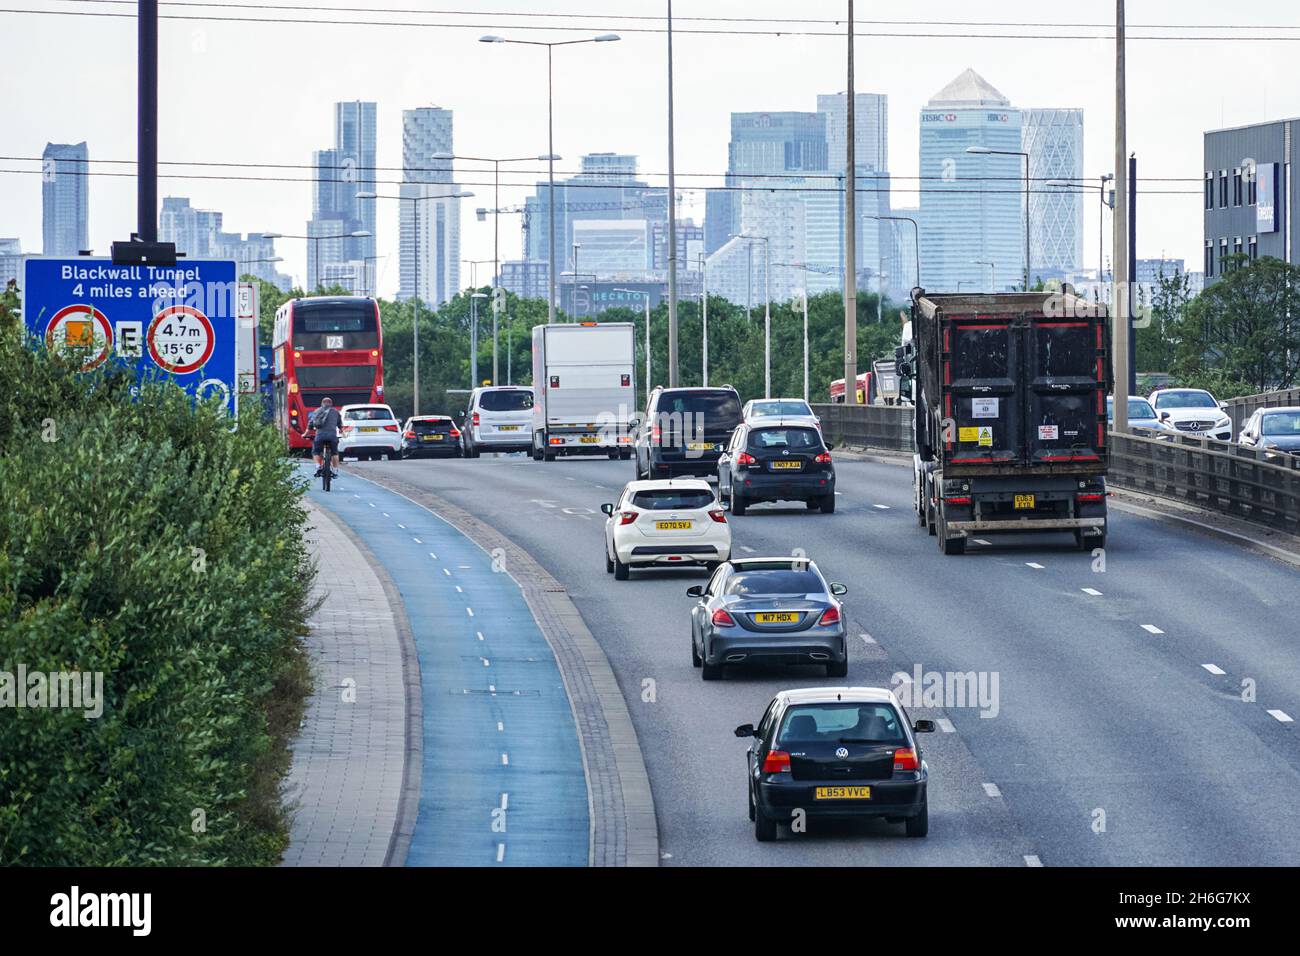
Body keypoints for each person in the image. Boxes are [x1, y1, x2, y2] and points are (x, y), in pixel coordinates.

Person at [306, 397, 342, 477]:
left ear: (322, 404)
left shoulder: (317, 411)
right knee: (334, 453)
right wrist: (342, 432)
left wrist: (305, 434)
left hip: (320, 436)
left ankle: (318, 466)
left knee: (316, 451)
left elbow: (311, 424)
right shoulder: (336, 412)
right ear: (331, 404)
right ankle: (335, 471)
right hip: (332, 436)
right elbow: (339, 424)